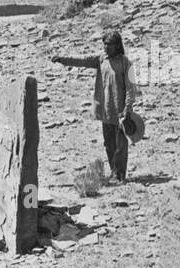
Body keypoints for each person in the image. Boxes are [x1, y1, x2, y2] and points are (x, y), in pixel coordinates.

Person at [51, 30, 141, 182]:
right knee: (108, 143)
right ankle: (113, 172)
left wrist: (127, 109)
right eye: (104, 44)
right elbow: (82, 60)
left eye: (109, 45)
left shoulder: (126, 63)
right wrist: (62, 59)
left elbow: (131, 89)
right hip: (106, 110)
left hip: (121, 112)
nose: (106, 47)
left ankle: (120, 175)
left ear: (117, 45)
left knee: (120, 145)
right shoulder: (101, 59)